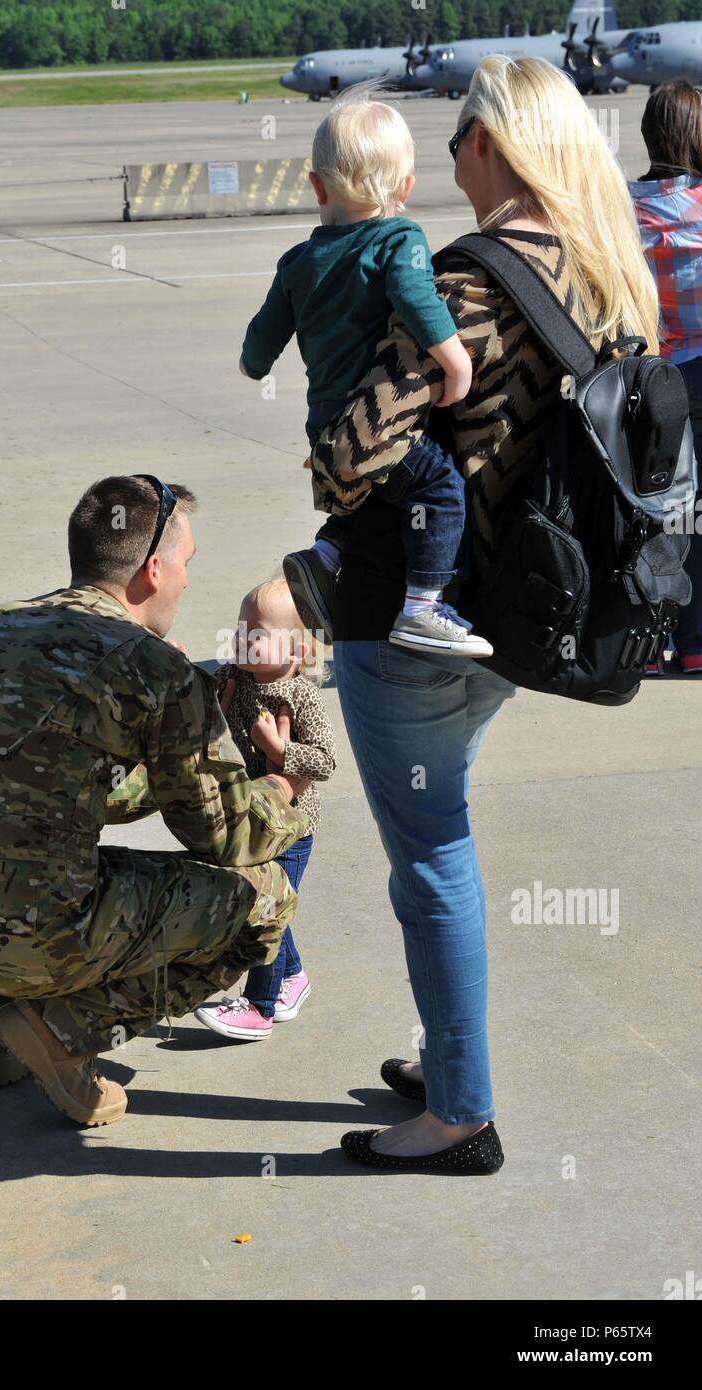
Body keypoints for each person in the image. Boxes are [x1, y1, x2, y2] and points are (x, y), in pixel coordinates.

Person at [306, 56, 662, 1173]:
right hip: (520, 613)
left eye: (460, 132)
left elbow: (351, 454)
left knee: (431, 857)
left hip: (417, 620)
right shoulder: (609, 269)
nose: (449, 151)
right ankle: (448, 1053)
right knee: (440, 837)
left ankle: (459, 1111)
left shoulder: (468, 282)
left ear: (492, 146)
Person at [0, 476, 310, 1128]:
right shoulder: (154, 668)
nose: (187, 583)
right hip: (36, 935)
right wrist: (282, 783)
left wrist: (146, 750)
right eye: (186, 566)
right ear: (153, 569)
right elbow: (227, 837)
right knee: (265, 900)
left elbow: (49, 782)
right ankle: (63, 1029)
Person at [239, 90, 492, 660]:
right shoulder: (399, 240)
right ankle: (424, 608)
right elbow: (417, 299)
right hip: (375, 417)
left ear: (317, 186)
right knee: (438, 487)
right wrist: (456, 361)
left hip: (323, 422)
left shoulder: (297, 263)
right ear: (404, 189)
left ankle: (325, 555)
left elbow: (259, 345)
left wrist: (251, 365)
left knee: (371, 493)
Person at [195, 576, 336, 1040]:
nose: (242, 641)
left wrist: (279, 750)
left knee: (265, 902)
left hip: (291, 827)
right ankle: (292, 976)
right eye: (240, 630)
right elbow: (198, 716)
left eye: (258, 635)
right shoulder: (229, 680)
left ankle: (260, 1006)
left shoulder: (302, 698)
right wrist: (211, 709)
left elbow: (325, 762)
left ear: (296, 651)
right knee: (270, 904)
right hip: (245, 821)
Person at [629, 81, 702, 676]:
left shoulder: (619, 207)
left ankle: (650, 642)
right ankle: (699, 639)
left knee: (652, 508)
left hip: (647, 379)